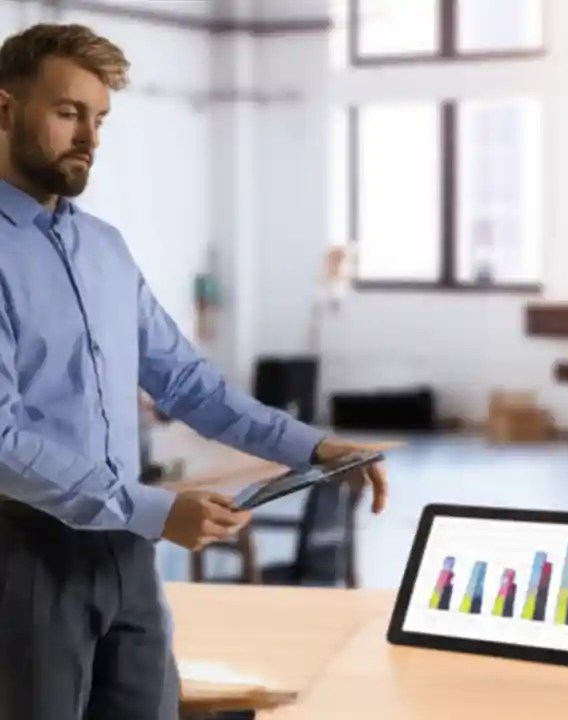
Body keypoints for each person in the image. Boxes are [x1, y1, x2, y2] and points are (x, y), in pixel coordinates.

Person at [0, 23, 389, 719]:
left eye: (100, 119)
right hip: (28, 557)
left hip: (129, 558)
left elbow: (185, 382)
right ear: (5, 110)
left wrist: (314, 448)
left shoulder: (103, 248)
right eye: (68, 113)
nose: (89, 138)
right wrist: (156, 509)